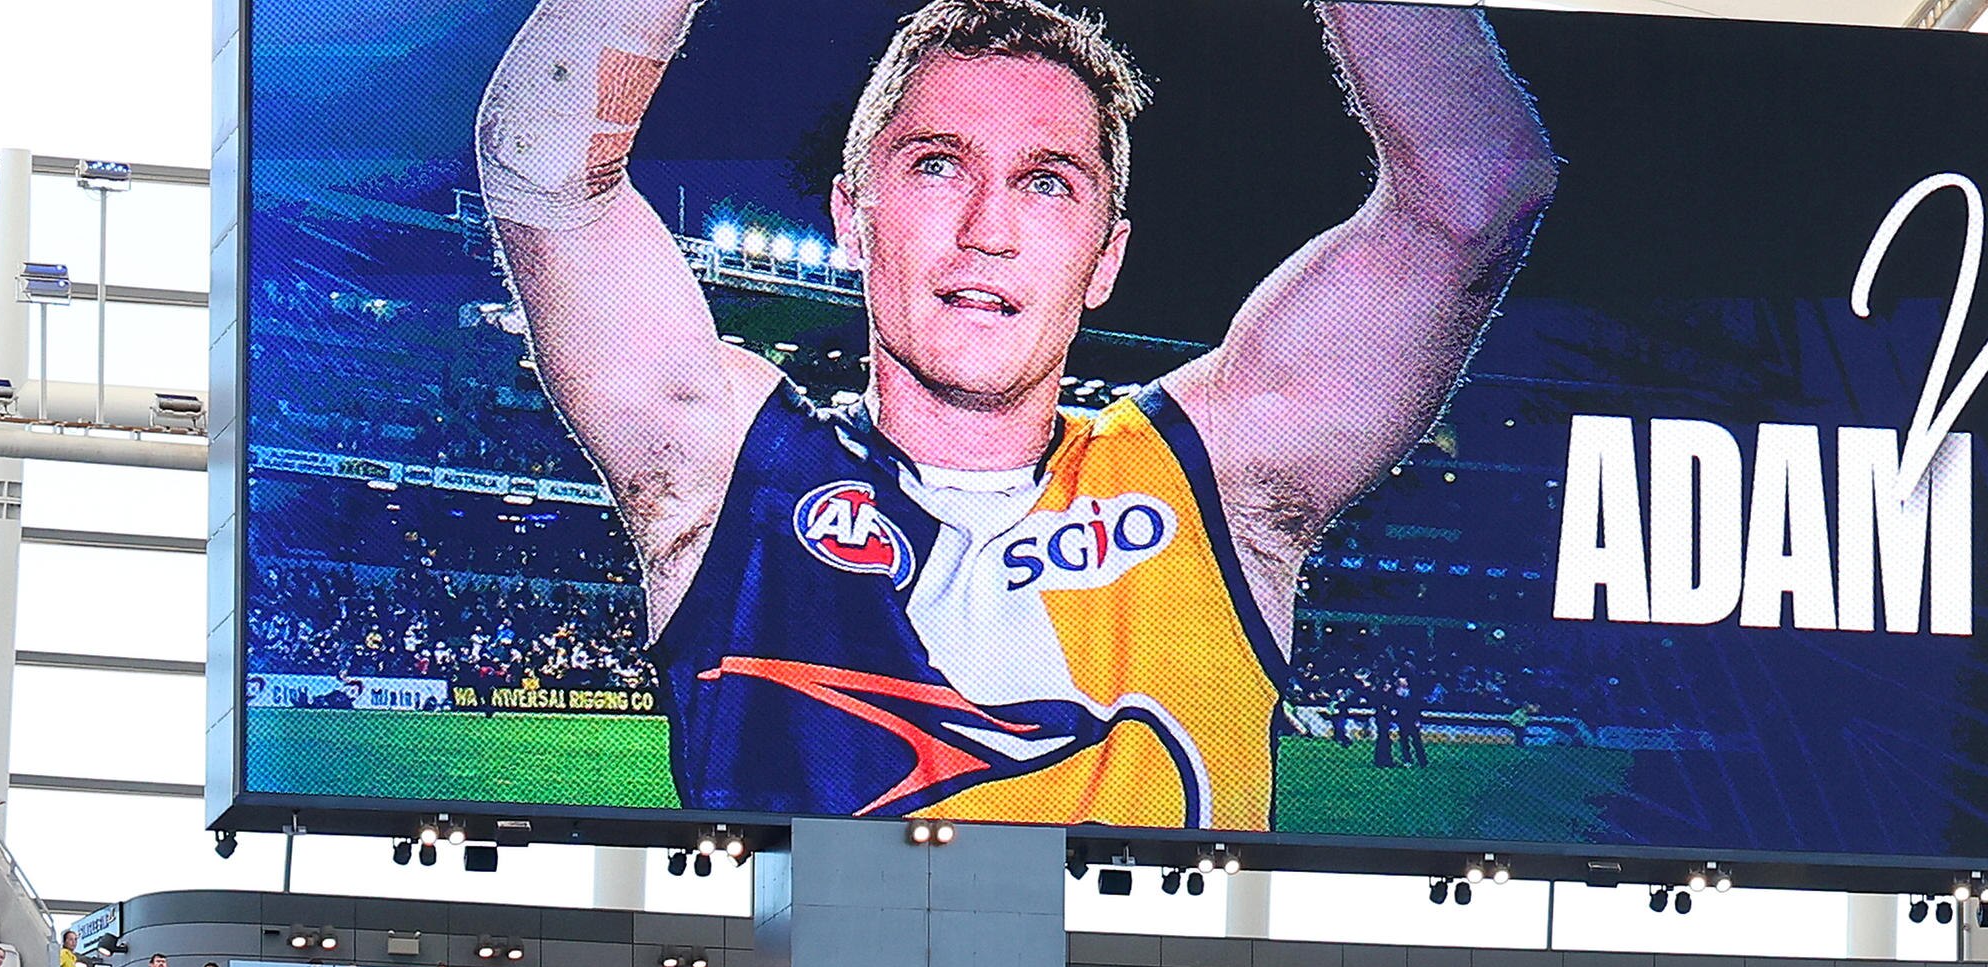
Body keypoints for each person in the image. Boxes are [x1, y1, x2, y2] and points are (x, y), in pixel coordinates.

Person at [471, 0, 1556, 827]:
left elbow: (1476, 194)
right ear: (854, 216)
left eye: (1047, 183)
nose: (989, 226)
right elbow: (544, 168)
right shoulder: (729, 469)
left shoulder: (1210, 474)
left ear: (1105, 257)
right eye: (937, 165)